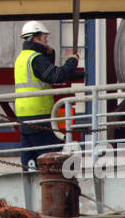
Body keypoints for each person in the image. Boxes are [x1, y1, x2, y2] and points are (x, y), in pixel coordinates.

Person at [13, 20, 82, 171]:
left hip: (24, 116)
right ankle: (54, 187)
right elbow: (56, 75)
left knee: (30, 161)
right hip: (39, 116)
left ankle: (30, 189)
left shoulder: (22, 58)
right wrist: (73, 61)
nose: (47, 40)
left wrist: (50, 54)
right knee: (51, 158)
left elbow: (44, 74)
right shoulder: (36, 59)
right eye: (45, 38)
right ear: (36, 39)